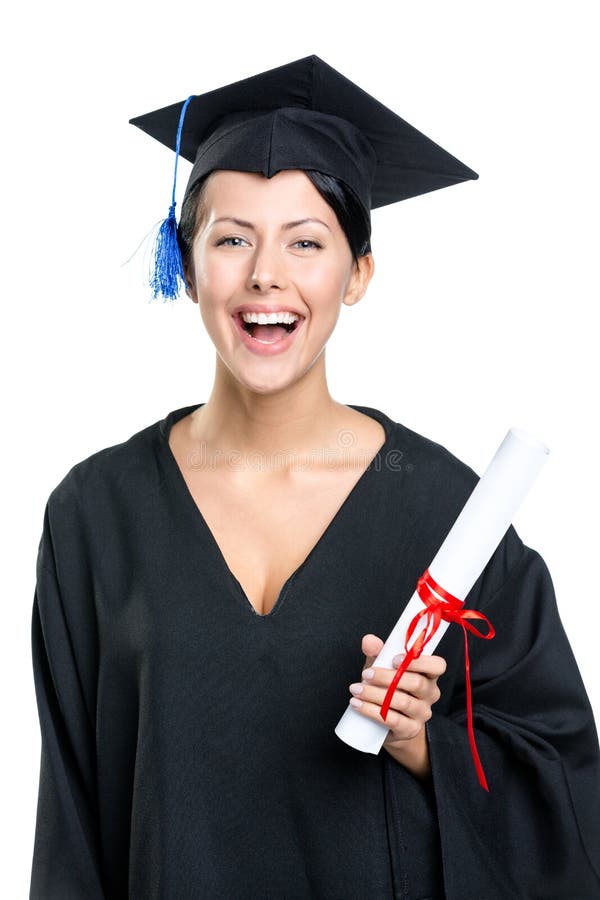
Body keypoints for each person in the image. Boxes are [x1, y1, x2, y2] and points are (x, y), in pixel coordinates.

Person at [29, 55, 600, 899]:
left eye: (306, 241)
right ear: (185, 267)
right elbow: (71, 825)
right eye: (231, 239)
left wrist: (421, 743)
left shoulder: (450, 515)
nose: (267, 274)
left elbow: (567, 793)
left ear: (358, 273)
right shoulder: (95, 515)